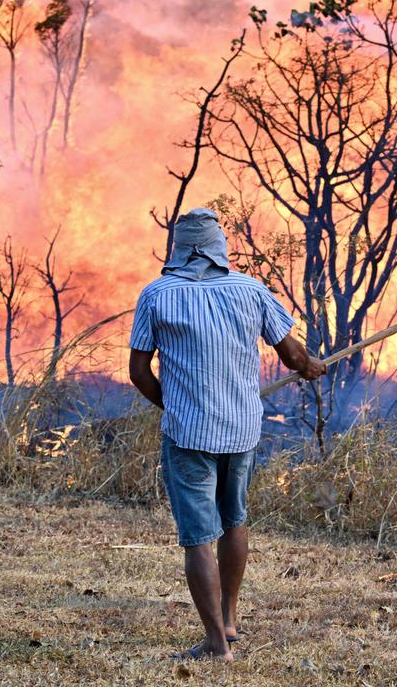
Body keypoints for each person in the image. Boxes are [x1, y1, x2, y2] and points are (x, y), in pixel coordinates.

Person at [127, 207, 325, 661]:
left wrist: (174, 405)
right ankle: (229, 620)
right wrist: (310, 365)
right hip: (240, 430)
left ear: (177, 248)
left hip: (188, 434)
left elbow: (139, 372)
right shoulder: (251, 289)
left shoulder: (157, 294)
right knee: (233, 520)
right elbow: (294, 357)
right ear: (221, 247)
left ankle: (218, 643)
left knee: (199, 536)